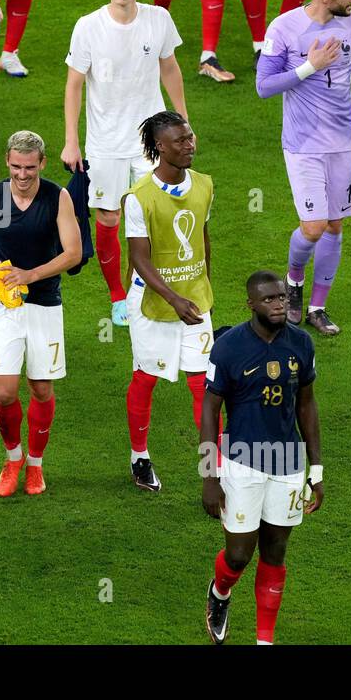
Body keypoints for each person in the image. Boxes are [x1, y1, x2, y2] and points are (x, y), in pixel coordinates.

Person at [256, 0, 351, 336]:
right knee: (312, 226)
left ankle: (318, 306)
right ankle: (293, 280)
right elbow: (263, 86)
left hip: (344, 141)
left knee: (334, 224)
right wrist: (308, 67)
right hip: (303, 145)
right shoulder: (283, 27)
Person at [60, 0, 189, 328]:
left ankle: (141, 284)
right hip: (105, 143)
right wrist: (72, 140)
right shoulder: (88, 27)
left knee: (154, 213)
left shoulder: (158, 20)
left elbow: (170, 67)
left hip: (152, 139)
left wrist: (182, 121)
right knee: (110, 216)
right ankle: (117, 294)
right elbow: (74, 85)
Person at [201, 270, 323, 645]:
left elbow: (306, 404)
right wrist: (209, 475)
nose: (279, 304)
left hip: (287, 463)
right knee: (239, 555)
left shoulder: (301, 344)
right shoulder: (229, 347)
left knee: (276, 551)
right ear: (250, 304)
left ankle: (264, 640)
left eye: (283, 297)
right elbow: (210, 409)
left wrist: (315, 469)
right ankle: (220, 593)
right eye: (270, 299)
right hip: (242, 461)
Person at [0, 131, 82, 497]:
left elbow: (73, 253)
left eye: (30, 167)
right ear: (7, 161)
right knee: (6, 393)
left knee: (41, 389)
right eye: (16, 167)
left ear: (42, 163)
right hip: (4, 306)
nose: (23, 174)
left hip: (44, 303)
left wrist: (31, 274)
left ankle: (35, 464)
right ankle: (13, 457)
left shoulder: (58, 197)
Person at [121, 111, 213, 492]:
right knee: (146, 378)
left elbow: (204, 238)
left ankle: (214, 470)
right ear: (160, 146)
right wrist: (174, 297)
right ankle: (139, 457)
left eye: (190, 137)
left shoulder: (205, 184)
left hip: (194, 301)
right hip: (151, 305)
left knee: (203, 384)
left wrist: (202, 289)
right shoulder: (138, 198)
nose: (189, 145)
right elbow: (139, 259)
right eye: (180, 140)